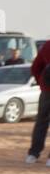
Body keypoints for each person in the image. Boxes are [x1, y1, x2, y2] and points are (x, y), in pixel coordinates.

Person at [25, 38, 50, 166]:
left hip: (46, 90)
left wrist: (41, 83)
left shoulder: (47, 45)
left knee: (41, 123)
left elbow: (35, 67)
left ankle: (33, 154)